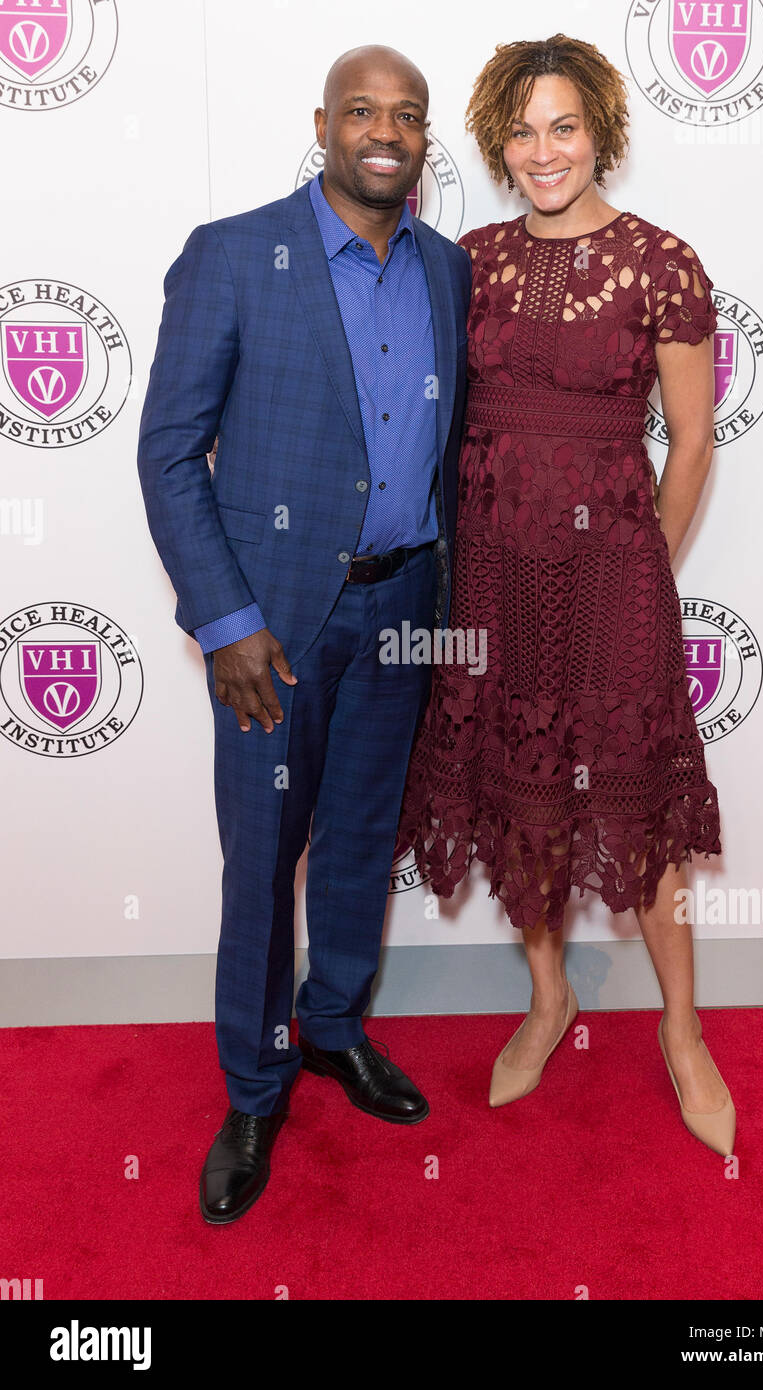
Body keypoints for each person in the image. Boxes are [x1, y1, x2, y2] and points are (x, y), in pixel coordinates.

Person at [137, 45, 471, 1223]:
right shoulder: (234, 254)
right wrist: (228, 621)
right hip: (271, 627)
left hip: (402, 606)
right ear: (323, 123)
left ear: (425, 140)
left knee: (360, 837)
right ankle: (253, 1084)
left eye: (408, 116)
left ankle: (333, 1027)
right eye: (363, 111)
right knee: (261, 855)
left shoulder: (446, 269)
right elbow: (169, 454)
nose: (386, 131)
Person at [396, 34, 735, 1157]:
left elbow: (688, 445)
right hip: (488, 580)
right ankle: (549, 1001)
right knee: (517, 795)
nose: (543, 150)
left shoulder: (660, 263)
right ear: (497, 139)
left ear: (600, 132)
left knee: (638, 812)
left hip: (610, 583)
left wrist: (646, 568)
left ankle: (681, 1030)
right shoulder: (467, 261)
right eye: (522, 129)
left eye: (564, 127)